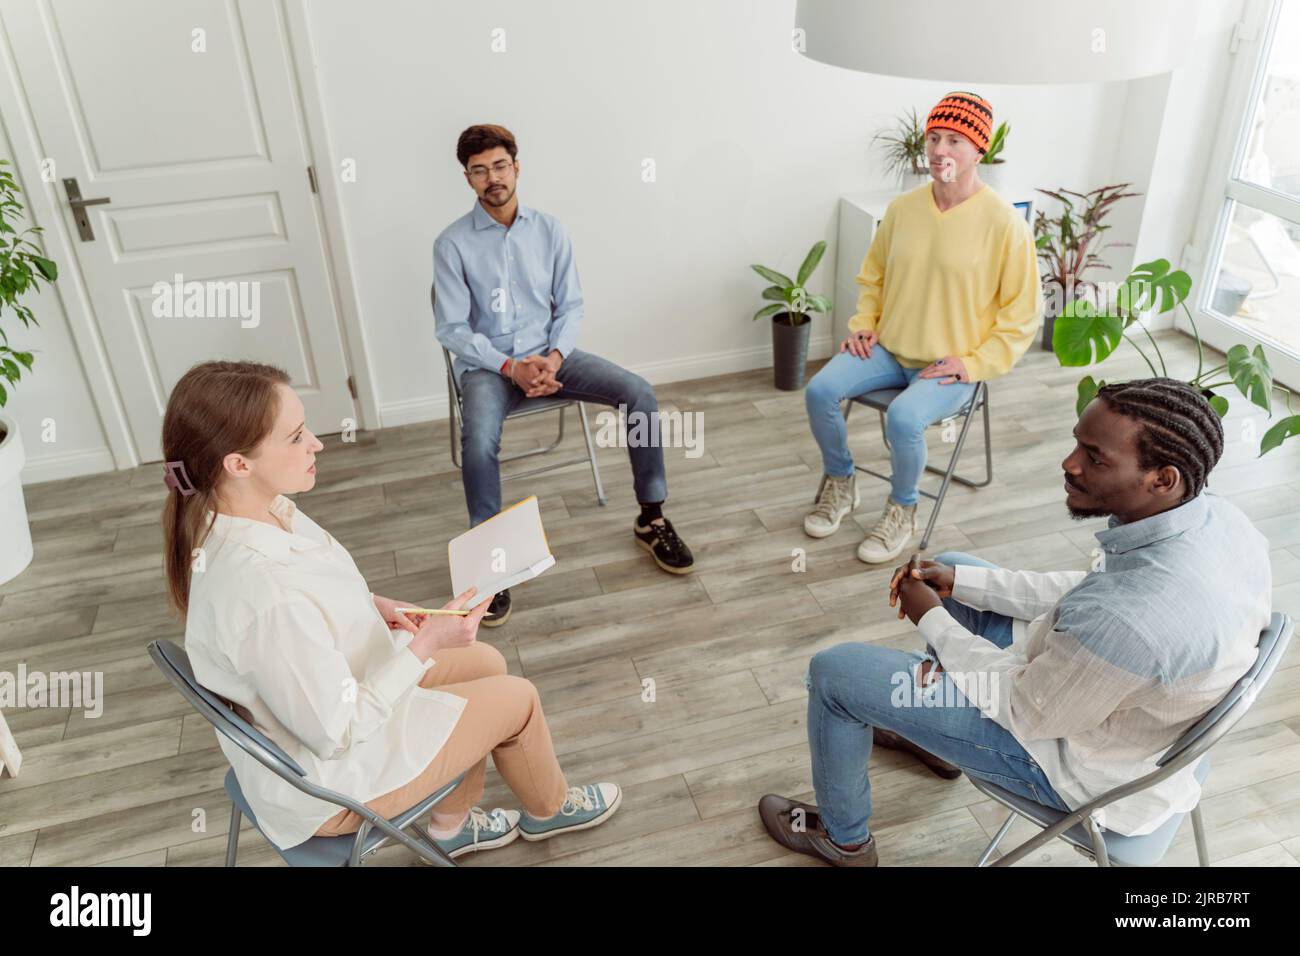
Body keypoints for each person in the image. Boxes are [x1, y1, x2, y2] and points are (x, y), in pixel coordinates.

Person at [760, 378, 1271, 866]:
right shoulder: (1214, 519)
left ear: (1162, 478)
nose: (1069, 464)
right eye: (1077, 444)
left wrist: (931, 618)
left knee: (836, 674)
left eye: (1094, 458)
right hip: (1101, 702)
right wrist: (960, 582)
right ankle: (931, 743)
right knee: (958, 569)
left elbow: (1024, 706)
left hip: (1072, 760)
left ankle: (843, 842)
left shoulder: (1130, 620)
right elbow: (1086, 593)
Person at [166, 360, 621, 860]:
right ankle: (549, 808)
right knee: (519, 699)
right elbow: (337, 733)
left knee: (486, 664)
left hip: (332, 694)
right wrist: (426, 645)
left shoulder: (255, 512)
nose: (316, 443)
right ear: (238, 463)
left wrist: (375, 607)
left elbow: (313, 601)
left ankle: (453, 824)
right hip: (329, 783)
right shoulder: (263, 592)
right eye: (295, 437)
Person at [434, 123, 694, 627]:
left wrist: (551, 359)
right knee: (479, 438)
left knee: (638, 393)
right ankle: (490, 566)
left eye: (500, 166)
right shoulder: (451, 245)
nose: (493, 178)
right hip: (492, 367)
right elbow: (452, 328)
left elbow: (571, 306)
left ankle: (652, 516)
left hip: (552, 357)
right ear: (467, 178)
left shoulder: (550, 230)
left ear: (517, 166)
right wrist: (511, 366)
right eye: (480, 171)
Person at [803, 91, 1042, 564]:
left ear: (979, 150)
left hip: (948, 365)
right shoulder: (903, 210)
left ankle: (903, 510)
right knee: (820, 390)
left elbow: (1021, 314)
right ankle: (841, 481)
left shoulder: (1004, 224)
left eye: (955, 140)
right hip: (889, 347)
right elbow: (873, 276)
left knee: (905, 418)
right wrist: (864, 324)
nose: (940, 150)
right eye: (934, 138)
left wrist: (974, 363)